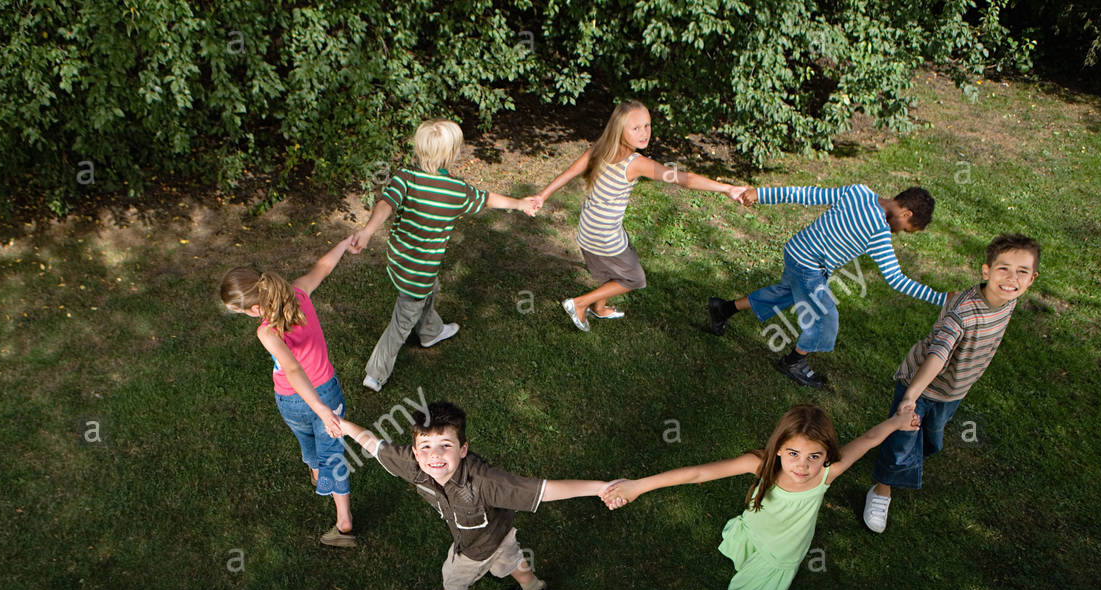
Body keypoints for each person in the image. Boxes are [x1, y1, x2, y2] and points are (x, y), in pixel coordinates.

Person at [603, 404, 919, 590]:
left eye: (814, 456)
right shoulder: (760, 464)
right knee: (744, 579)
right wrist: (638, 486)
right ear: (778, 448)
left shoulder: (828, 473)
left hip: (779, 556)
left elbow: (868, 440)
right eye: (793, 453)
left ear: (827, 455)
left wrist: (897, 422)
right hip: (751, 534)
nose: (803, 465)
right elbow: (698, 473)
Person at [336, 401, 612, 590]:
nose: (434, 455)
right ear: (416, 452)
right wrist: (344, 426)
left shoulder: (484, 482)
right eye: (426, 447)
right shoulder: (414, 464)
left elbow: (544, 490)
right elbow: (374, 444)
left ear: (463, 449)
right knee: (508, 556)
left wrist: (601, 488)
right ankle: (534, 588)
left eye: (445, 445)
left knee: (454, 577)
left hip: (474, 548)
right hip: (501, 531)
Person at [864, 234, 1040, 533]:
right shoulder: (962, 314)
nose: (1012, 278)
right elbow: (939, 355)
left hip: (953, 391)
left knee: (931, 441)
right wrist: (911, 396)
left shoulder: (1008, 298)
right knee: (901, 441)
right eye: (1004, 269)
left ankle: (905, 457)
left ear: (1032, 279)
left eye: (1022, 272)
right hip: (921, 386)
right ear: (986, 271)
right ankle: (882, 490)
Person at [348, 119, 539, 392]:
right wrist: (519, 204)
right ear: (451, 154)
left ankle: (430, 332)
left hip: (401, 260)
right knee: (403, 321)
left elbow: (386, 202)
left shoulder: (406, 176)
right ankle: (375, 374)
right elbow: (487, 199)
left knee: (431, 288)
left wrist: (368, 231)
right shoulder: (456, 190)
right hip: (419, 270)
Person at [531, 100, 749, 332]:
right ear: (619, 129)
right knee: (633, 278)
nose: (644, 133)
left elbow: (568, 174)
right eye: (636, 128)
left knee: (612, 267)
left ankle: (599, 306)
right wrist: (726, 188)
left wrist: (542, 196)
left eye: (647, 125)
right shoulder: (635, 163)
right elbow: (684, 179)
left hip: (587, 229)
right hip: (605, 235)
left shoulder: (599, 149)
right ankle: (580, 303)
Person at [707, 184, 950, 388]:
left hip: (796, 251)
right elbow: (896, 279)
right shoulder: (879, 233)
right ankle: (793, 363)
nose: (898, 232)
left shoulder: (858, 192)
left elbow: (805, 194)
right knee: (825, 317)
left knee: (785, 293)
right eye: (905, 229)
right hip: (809, 267)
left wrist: (761, 194)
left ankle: (722, 309)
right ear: (906, 213)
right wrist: (942, 298)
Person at [220, 237, 357, 548]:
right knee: (333, 453)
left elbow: (293, 371)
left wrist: (318, 409)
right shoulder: (299, 293)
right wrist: (344, 243)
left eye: (240, 311)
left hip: (292, 401)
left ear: (256, 308)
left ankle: (317, 474)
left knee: (307, 440)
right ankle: (344, 519)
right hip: (327, 393)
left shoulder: (266, 331)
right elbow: (323, 267)